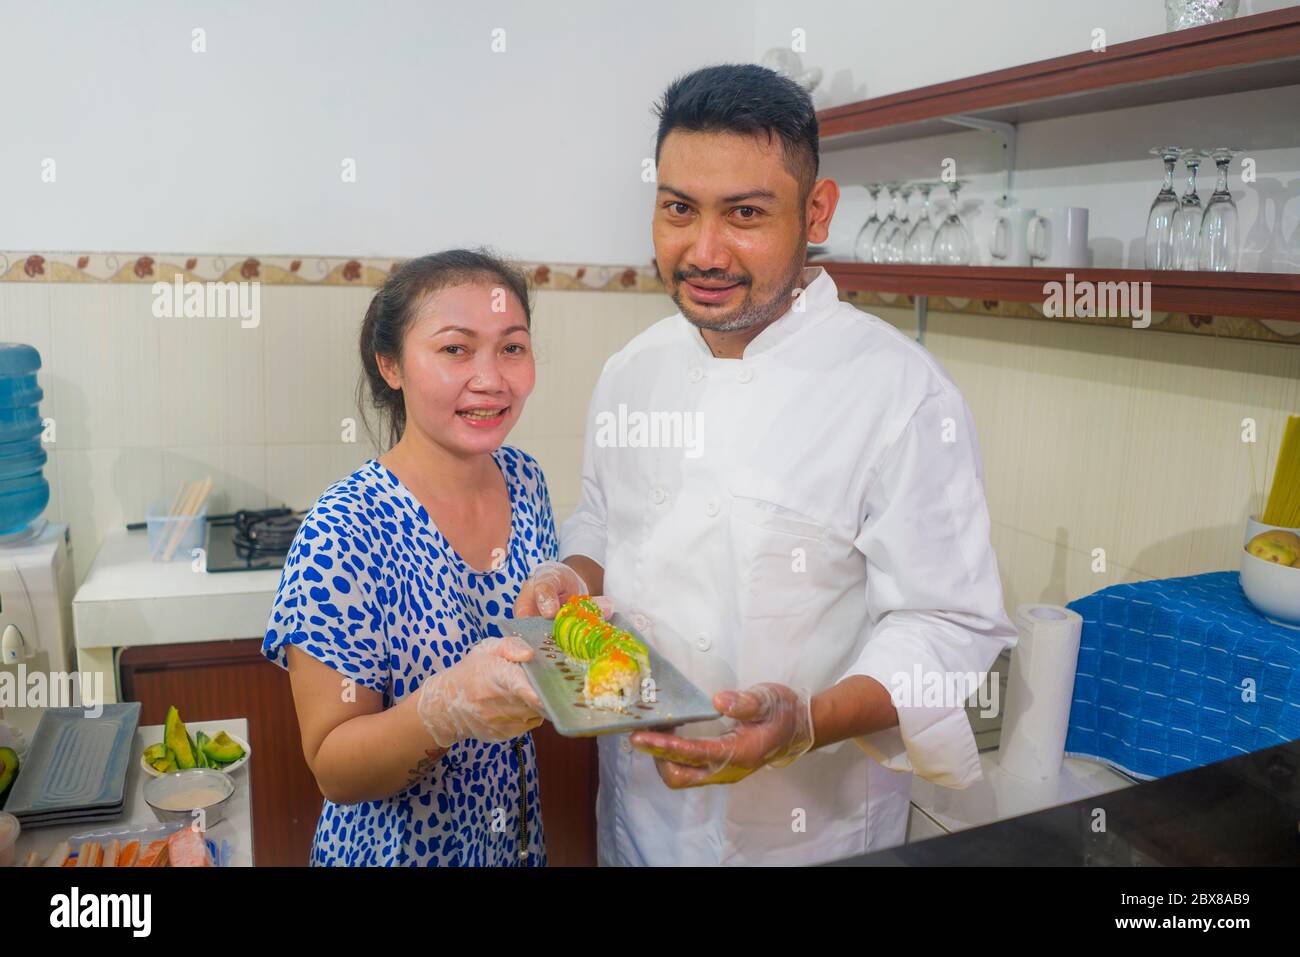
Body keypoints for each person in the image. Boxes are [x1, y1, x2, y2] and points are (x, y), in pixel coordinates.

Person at [514, 64, 1018, 865]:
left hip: (806, 830)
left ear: (817, 211)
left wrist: (809, 721)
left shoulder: (899, 393)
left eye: (745, 213)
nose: (703, 250)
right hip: (640, 824)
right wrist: (574, 575)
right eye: (679, 209)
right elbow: (607, 518)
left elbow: (950, 624)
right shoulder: (632, 369)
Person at [263, 249, 555, 866]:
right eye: (455, 349)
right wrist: (443, 709)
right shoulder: (345, 530)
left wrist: (571, 604)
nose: (491, 378)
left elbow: (538, 653)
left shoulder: (526, 481)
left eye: (511, 347)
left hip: (513, 845)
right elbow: (335, 768)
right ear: (391, 365)